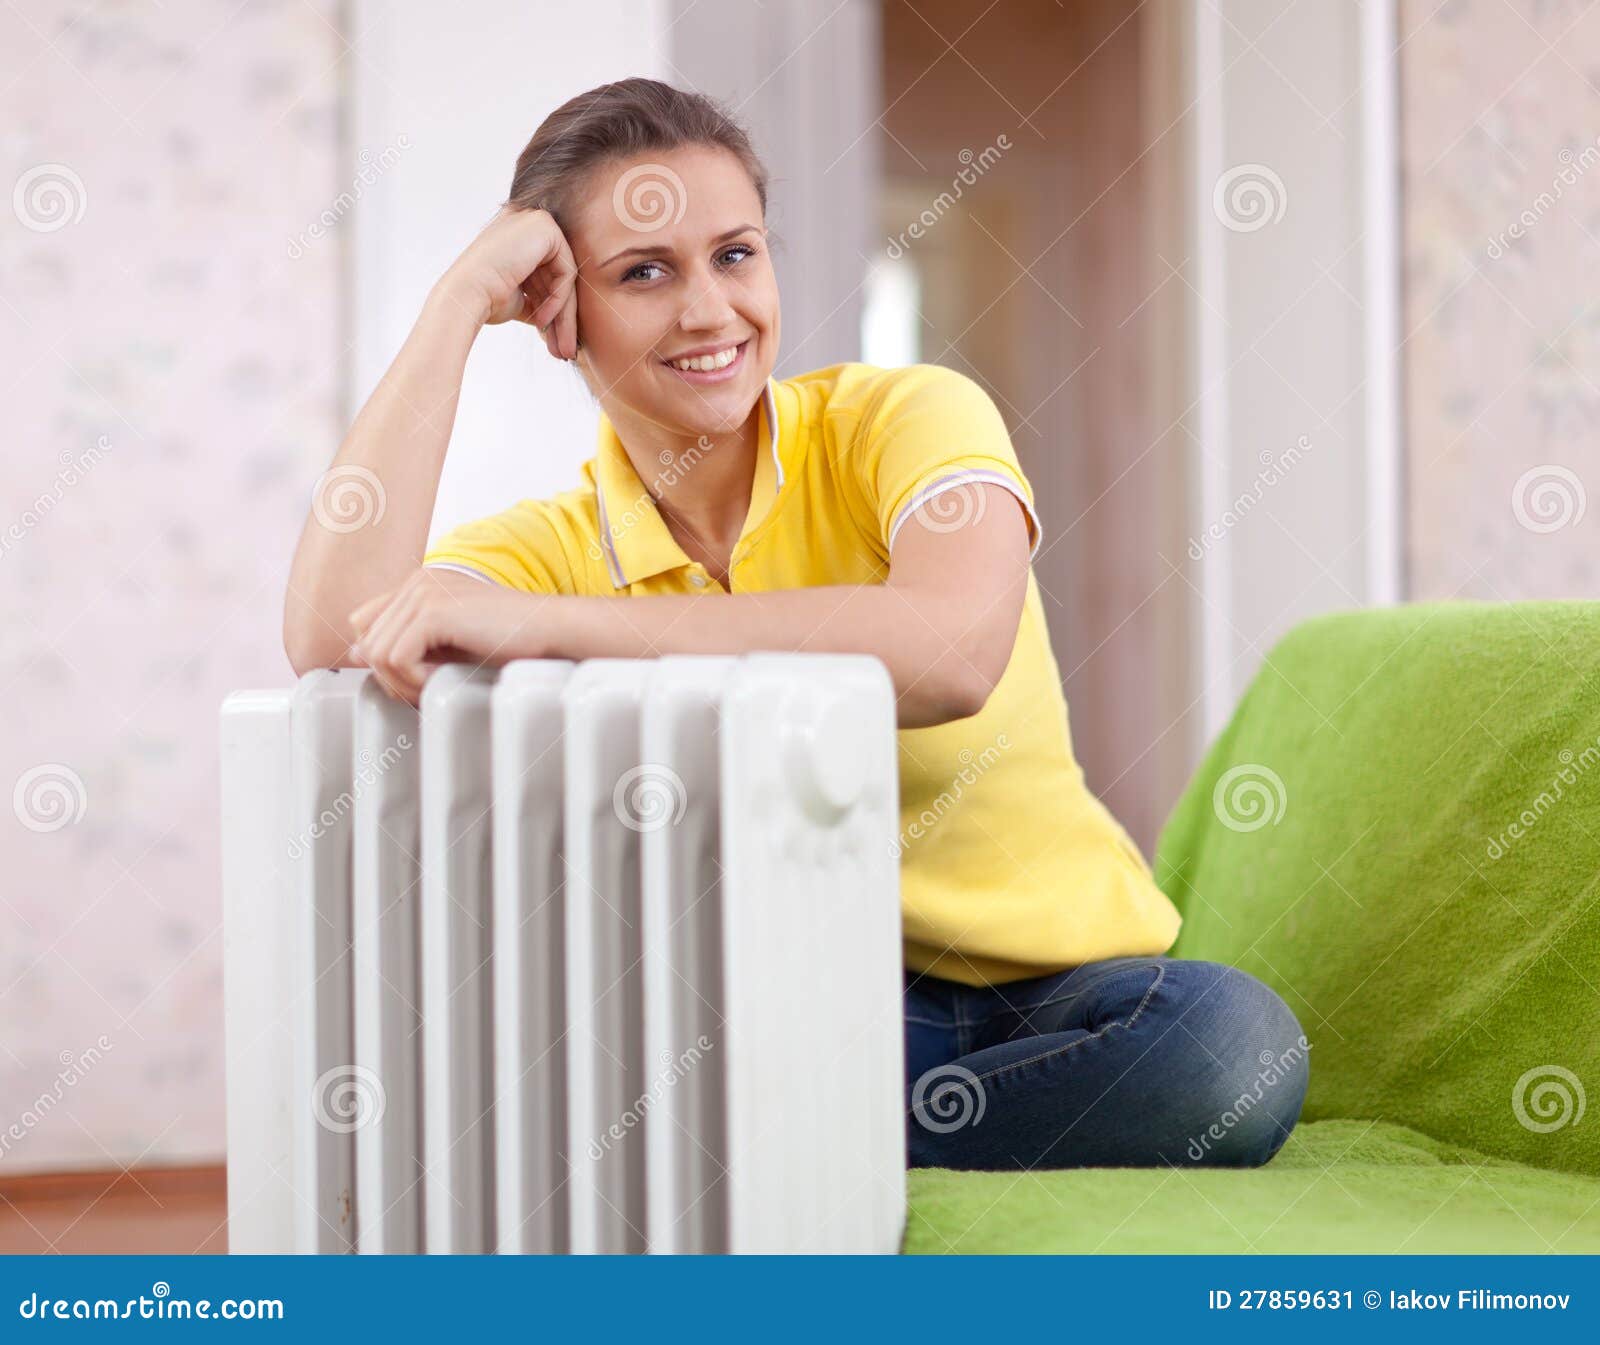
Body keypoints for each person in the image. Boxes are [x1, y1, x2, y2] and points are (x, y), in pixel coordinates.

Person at [283, 77, 1308, 1172]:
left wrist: (549, 628)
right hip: (816, 1008)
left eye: (735, 254)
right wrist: (452, 307)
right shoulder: (562, 544)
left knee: (1231, 1053)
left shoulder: (904, 417)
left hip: (1066, 992)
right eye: (642, 273)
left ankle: (775, 1150)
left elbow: (952, 654)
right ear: (557, 311)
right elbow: (336, 637)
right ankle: (788, 1136)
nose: (710, 311)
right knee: (590, 1049)